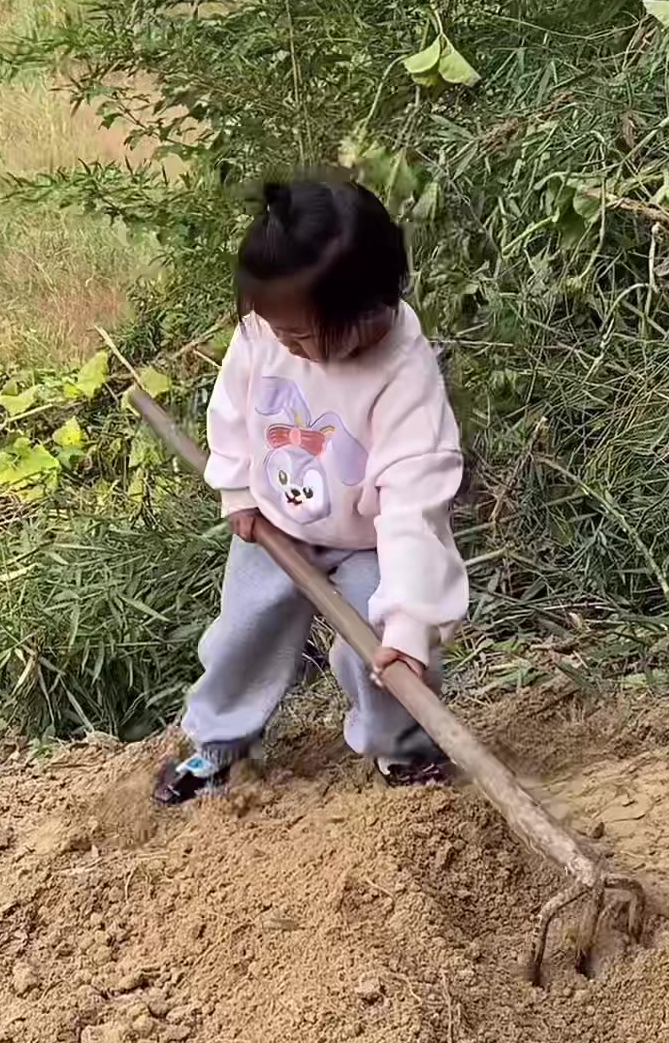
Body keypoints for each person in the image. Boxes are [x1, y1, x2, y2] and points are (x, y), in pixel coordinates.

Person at [154, 175, 469, 806]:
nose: (284, 347)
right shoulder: (268, 332)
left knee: (381, 657)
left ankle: (402, 748)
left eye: (300, 337)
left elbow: (413, 511)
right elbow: (236, 409)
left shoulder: (404, 382)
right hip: (277, 520)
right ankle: (217, 745)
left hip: (370, 541)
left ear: (365, 309)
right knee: (245, 631)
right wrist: (238, 489)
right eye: (277, 333)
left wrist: (408, 627)